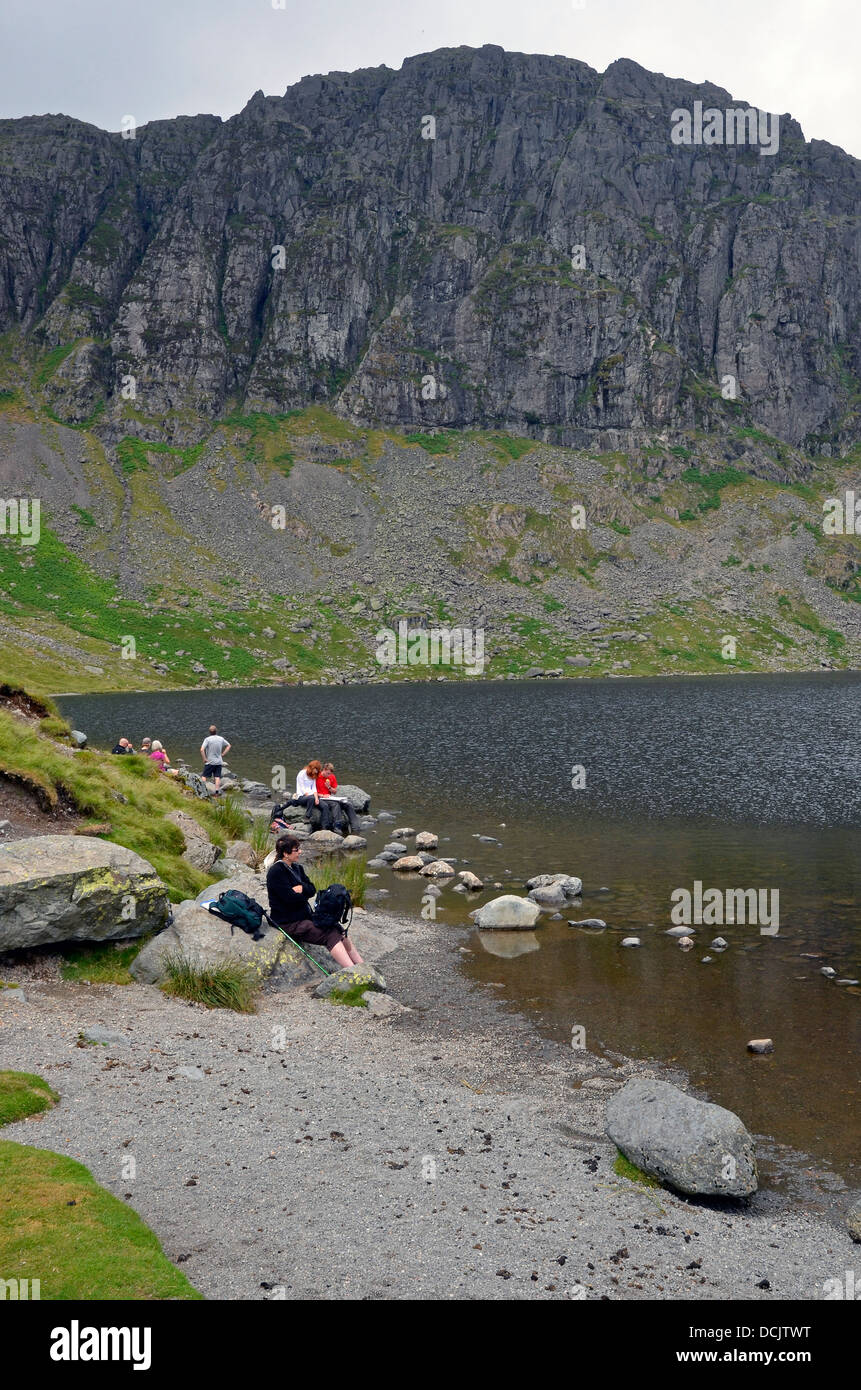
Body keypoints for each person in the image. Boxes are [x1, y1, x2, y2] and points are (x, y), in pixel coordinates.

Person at [266, 835, 364, 970]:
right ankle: (353, 971)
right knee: (329, 935)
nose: (300, 852)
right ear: (285, 853)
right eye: (296, 850)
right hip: (288, 922)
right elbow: (289, 899)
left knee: (337, 928)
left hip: (304, 917)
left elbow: (312, 889)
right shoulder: (276, 872)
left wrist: (301, 889)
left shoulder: (297, 868)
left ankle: (362, 966)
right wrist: (301, 893)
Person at [316, 761, 361, 835]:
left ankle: (355, 828)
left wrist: (329, 787)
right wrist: (322, 795)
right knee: (335, 805)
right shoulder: (317, 777)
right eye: (327, 773)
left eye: (330, 773)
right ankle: (337, 827)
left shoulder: (332, 777)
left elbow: (334, 792)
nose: (329, 775)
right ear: (323, 769)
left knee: (347, 804)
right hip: (321, 798)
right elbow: (311, 791)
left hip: (329, 797)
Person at [290, 759, 334, 830]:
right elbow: (302, 788)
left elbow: (314, 789)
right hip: (301, 796)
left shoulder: (314, 776)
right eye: (316, 769)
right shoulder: (302, 773)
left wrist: (316, 798)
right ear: (312, 767)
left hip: (312, 796)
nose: (317, 772)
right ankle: (307, 817)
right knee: (311, 798)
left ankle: (324, 827)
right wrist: (311, 795)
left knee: (325, 806)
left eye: (318, 770)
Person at [200, 725, 231, 796]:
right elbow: (229, 745)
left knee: (204, 776)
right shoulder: (221, 738)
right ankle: (216, 793)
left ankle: (202, 791)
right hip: (218, 762)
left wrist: (204, 759)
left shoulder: (207, 739)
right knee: (217, 777)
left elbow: (201, 749)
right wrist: (223, 754)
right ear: (216, 731)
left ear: (209, 732)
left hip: (210, 762)